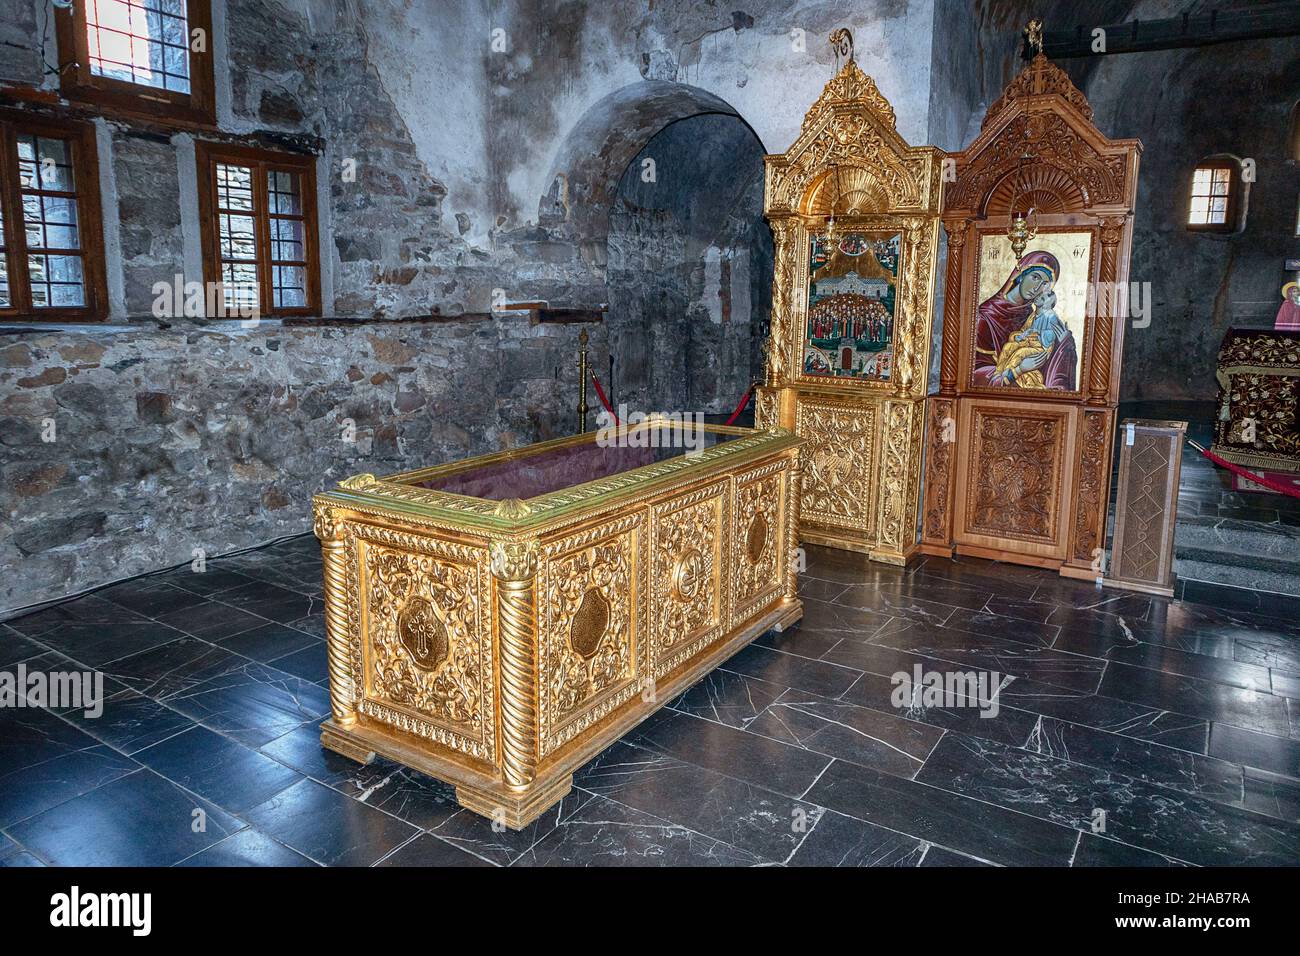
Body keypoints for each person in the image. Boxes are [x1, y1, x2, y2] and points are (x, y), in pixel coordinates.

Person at [973, 250, 1077, 390]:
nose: (1036, 288)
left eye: (1044, 284)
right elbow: (974, 373)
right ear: (1021, 274)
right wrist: (1018, 370)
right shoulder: (986, 316)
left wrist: (1065, 344)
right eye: (1035, 277)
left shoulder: (1033, 314)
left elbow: (1046, 353)